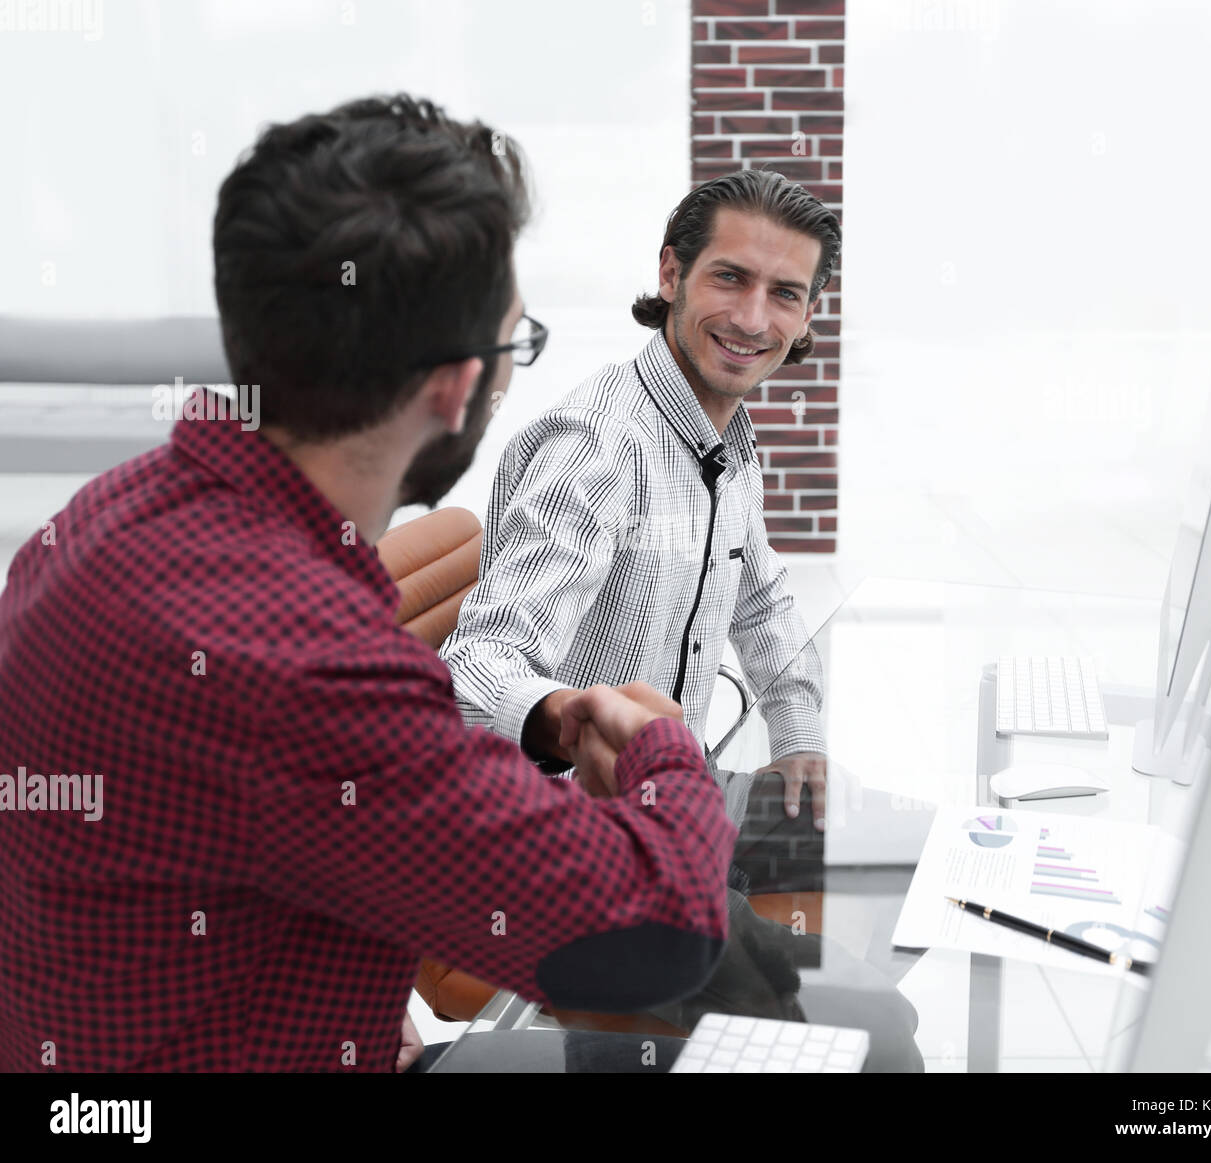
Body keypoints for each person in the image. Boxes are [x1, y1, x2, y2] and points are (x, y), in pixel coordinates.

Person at [0, 94, 734, 1073]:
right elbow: (657, 934)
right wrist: (663, 749)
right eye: (516, 346)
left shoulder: (93, 520)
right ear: (453, 387)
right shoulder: (313, 673)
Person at [442, 170, 838, 826]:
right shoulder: (600, 447)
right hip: (571, 841)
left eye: (784, 294)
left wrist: (797, 733)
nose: (751, 318)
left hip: (674, 814)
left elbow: (763, 602)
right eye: (730, 277)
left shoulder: (730, 439)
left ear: (804, 319)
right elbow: (473, 671)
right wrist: (572, 722)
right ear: (671, 274)